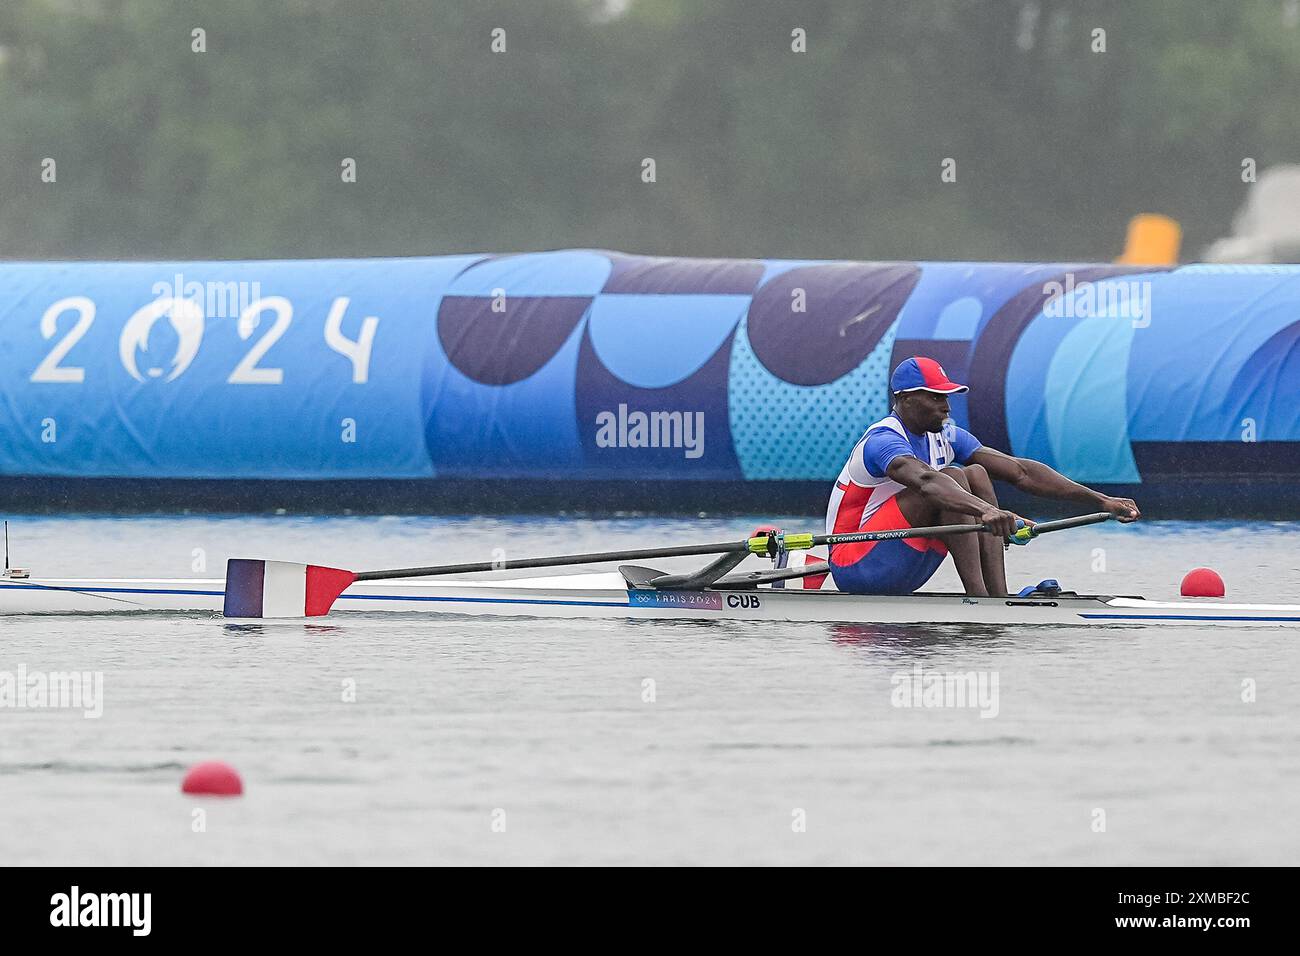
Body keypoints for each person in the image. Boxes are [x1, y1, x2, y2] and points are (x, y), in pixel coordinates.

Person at [825, 356, 1140, 596]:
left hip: (903, 557)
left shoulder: (946, 436)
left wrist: (1100, 500)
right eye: (936, 397)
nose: (946, 406)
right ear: (906, 400)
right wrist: (987, 511)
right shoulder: (883, 440)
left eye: (947, 397)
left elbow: (1020, 472)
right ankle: (980, 600)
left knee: (975, 472)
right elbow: (925, 482)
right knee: (950, 477)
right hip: (856, 561)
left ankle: (996, 596)